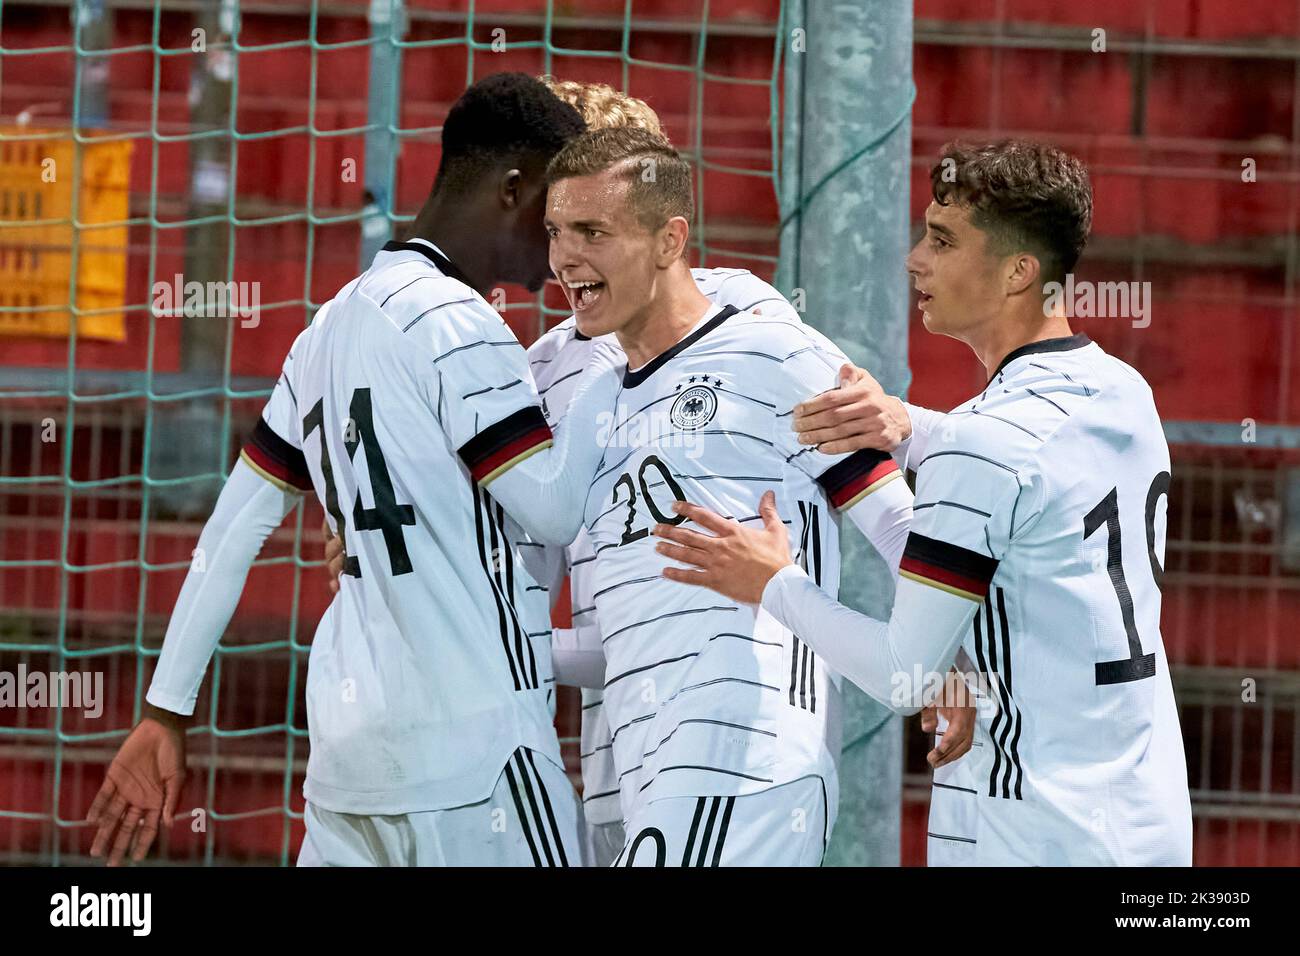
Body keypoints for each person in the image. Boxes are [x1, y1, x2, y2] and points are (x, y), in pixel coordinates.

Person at [85, 73, 624, 867]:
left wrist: (166, 709)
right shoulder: (461, 325)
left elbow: (231, 535)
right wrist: (612, 370)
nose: (558, 254)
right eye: (553, 218)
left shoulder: (327, 327)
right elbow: (549, 510)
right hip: (480, 763)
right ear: (514, 189)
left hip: (349, 768)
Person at [652, 139, 1194, 866]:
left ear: (1017, 273)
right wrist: (908, 425)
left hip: (1032, 830)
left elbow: (903, 673)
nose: (914, 260)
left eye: (941, 241)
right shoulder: (1124, 393)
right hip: (1147, 821)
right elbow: (1032, 472)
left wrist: (772, 582)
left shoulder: (984, 443)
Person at [542, 126, 971, 865]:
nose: (564, 258)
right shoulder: (593, 397)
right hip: (648, 765)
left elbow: (898, 519)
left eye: (592, 232)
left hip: (741, 758)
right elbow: (633, 621)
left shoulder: (773, 354)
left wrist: (951, 659)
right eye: (555, 232)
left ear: (670, 240)